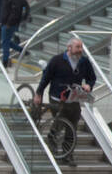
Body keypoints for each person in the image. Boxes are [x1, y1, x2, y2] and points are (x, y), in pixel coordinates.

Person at [34, 38, 96, 166]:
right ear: (69, 48)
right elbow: (46, 78)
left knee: (72, 126)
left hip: (74, 98)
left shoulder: (84, 62)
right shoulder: (57, 60)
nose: (80, 50)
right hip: (57, 97)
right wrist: (39, 93)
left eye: (81, 47)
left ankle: (68, 155)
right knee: (61, 121)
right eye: (77, 47)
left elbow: (92, 78)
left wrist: (89, 86)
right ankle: (52, 139)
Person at [0, 0, 29, 68]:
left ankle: (5, 62)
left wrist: (9, 23)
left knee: (5, 43)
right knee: (7, 41)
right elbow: (2, 8)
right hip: (4, 21)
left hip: (9, 23)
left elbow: (15, 11)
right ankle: (22, 51)